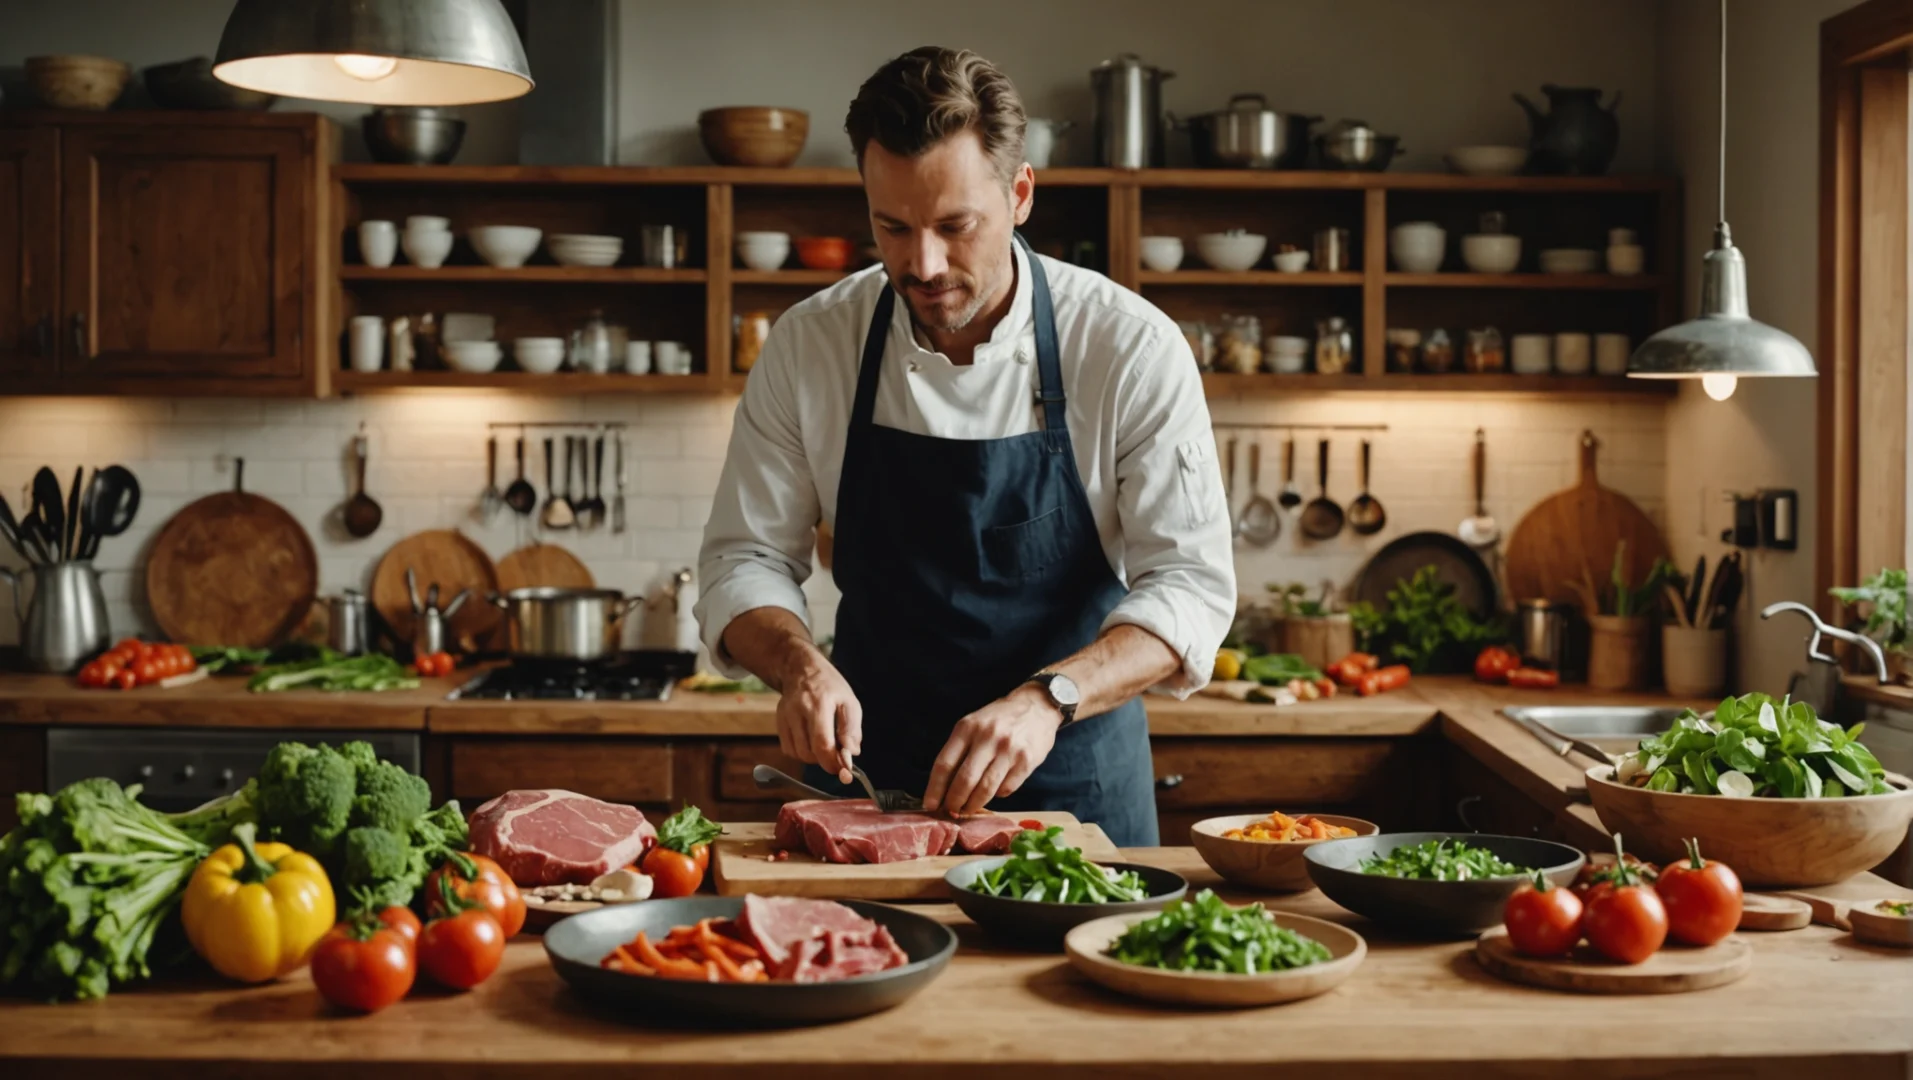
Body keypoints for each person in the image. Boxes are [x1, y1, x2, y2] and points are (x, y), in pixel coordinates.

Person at [695, 46, 1233, 845]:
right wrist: (799, 667)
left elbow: (1189, 587)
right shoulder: (812, 345)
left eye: (955, 226)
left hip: (1071, 778)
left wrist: (1044, 700)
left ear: (1019, 195)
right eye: (892, 227)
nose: (923, 263)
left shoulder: (1126, 347)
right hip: (870, 786)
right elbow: (743, 559)